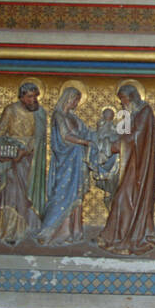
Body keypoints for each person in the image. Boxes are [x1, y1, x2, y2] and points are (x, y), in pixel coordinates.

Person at [0, 82, 46, 244]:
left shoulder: (39, 113)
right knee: (10, 191)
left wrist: (26, 150)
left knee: (25, 193)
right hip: (10, 157)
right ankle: (9, 231)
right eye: (30, 96)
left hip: (29, 159)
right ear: (22, 97)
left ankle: (25, 229)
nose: (33, 100)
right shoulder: (11, 110)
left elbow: (40, 139)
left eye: (35, 96)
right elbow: (0, 132)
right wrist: (5, 150)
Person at [97, 82, 155, 254]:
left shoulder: (145, 112)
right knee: (120, 198)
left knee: (125, 199)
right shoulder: (131, 114)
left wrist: (115, 146)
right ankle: (114, 236)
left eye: (124, 99)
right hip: (129, 163)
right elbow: (124, 133)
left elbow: (137, 137)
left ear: (132, 97)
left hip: (138, 166)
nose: (122, 104)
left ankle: (130, 237)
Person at [36, 86, 93, 245]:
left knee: (76, 195)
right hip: (66, 161)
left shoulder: (75, 118)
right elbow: (65, 136)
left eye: (78, 100)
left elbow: (87, 132)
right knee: (62, 194)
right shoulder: (59, 116)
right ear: (68, 99)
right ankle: (52, 231)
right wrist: (85, 142)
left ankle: (73, 231)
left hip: (78, 160)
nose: (76, 103)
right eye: (75, 99)